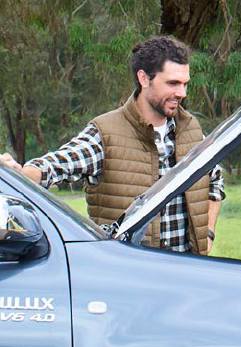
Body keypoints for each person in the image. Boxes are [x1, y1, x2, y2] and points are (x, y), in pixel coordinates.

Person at [0, 36, 224, 254]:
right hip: (127, 278)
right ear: (144, 78)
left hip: (189, 276)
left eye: (185, 84)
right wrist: (15, 173)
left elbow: (215, 182)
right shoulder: (106, 133)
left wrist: (208, 235)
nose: (182, 93)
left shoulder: (191, 130)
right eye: (173, 83)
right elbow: (56, 166)